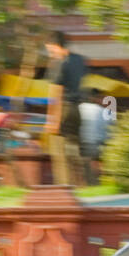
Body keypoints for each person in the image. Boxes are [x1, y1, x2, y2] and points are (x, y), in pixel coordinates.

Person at [43, 31, 87, 185]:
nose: (50, 54)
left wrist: (52, 120)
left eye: (51, 50)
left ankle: (64, 187)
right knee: (75, 150)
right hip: (77, 110)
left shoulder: (58, 63)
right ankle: (82, 185)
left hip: (64, 110)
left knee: (59, 152)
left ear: (57, 46)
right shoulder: (79, 60)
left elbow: (56, 94)